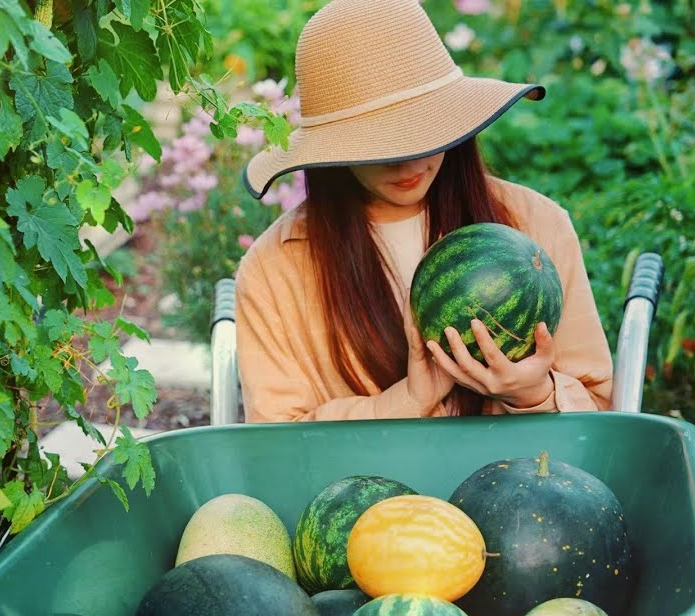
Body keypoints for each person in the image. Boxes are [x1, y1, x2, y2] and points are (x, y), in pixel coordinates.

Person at [235, 0, 614, 423]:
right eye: (380, 146)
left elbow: (599, 412)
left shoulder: (537, 224)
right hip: (370, 490)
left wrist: (533, 394)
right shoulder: (274, 269)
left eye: (428, 134)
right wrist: (407, 402)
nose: (411, 163)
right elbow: (276, 444)